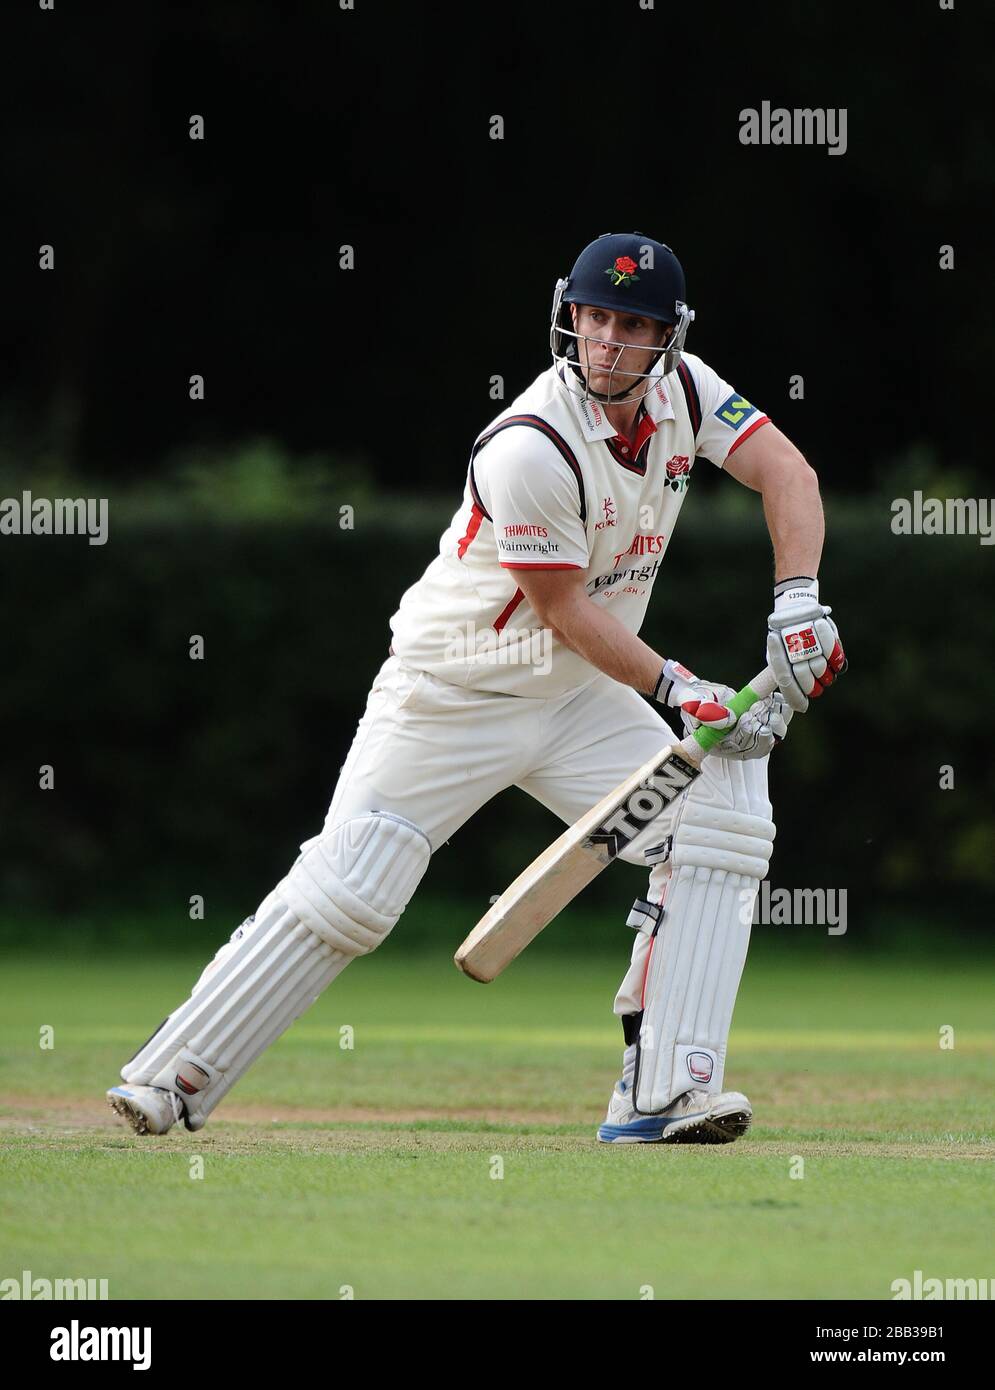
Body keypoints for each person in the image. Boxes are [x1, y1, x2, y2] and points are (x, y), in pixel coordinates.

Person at [107, 231, 845, 1143]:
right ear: (568, 317)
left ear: (669, 336)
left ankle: (663, 1090)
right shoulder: (529, 445)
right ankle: (173, 1075)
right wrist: (678, 685)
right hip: (453, 688)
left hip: (575, 697)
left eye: (633, 324)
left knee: (720, 815)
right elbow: (564, 607)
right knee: (355, 887)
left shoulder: (688, 389)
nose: (609, 341)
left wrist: (798, 603)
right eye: (594, 317)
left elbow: (786, 471)